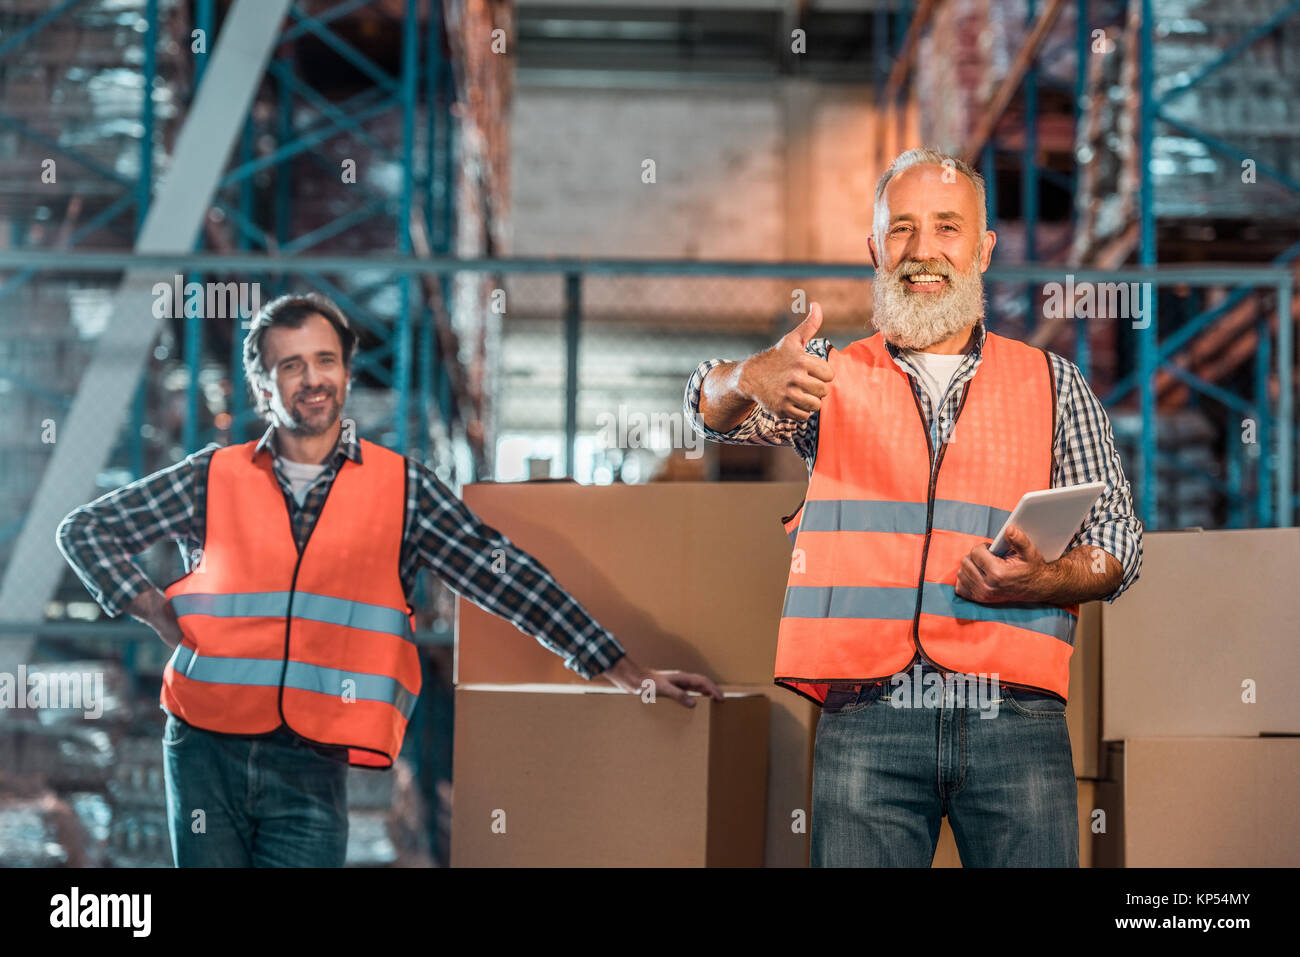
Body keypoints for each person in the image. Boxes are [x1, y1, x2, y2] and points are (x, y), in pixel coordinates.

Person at [57, 291, 722, 867]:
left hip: (312, 760)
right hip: (202, 747)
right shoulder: (211, 476)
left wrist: (624, 669)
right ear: (264, 387)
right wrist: (152, 609)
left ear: (345, 372)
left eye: (325, 360)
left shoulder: (403, 490)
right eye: (290, 365)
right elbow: (85, 532)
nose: (312, 378)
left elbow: (505, 576)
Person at [684, 147, 1143, 867]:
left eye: (947, 227)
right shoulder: (823, 376)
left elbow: (1120, 538)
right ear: (873, 247)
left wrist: (1046, 580)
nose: (922, 251)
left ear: (984, 248)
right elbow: (707, 412)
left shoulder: (1053, 382)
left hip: (1013, 714)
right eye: (901, 229)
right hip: (870, 716)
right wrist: (748, 376)